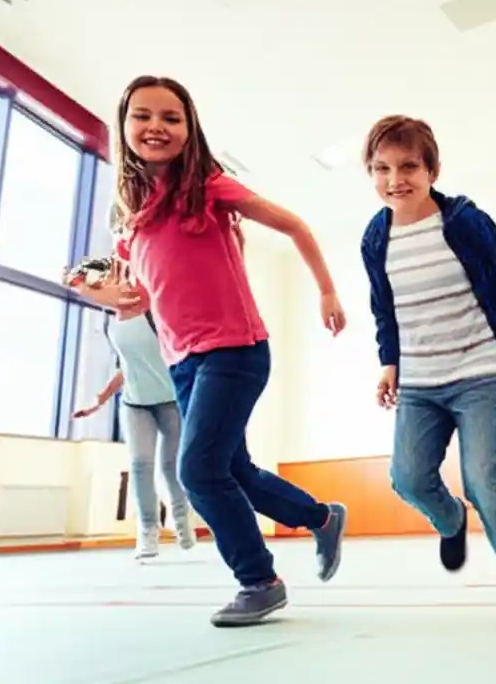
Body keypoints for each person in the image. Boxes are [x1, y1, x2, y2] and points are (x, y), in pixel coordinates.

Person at [109, 75, 347, 627]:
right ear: (124, 127)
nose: (157, 127)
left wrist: (328, 290)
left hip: (235, 350)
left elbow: (293, 224)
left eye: (172, 117)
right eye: (143, 115)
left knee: (196, 470)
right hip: (184, 363)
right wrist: (122, 295)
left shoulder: (209, 187)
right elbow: (148, 291)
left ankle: (258, 580)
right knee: (232, 469)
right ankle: (321, 517)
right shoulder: (134, 219)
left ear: (190, 130)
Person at [359, 115, 496, 629]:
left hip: (476, 371)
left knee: (485, 478)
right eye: (381, 169)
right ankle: (451, 520)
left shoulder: (463, 221)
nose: (395, 179)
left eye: (408, 167)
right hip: (419, 381)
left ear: (432, 170)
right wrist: (389, 363)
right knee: (407, 478)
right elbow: (385, 308)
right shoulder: (376, 237)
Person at [66, 258, 195, 560]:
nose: (113, 286)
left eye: (118, 280)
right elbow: (127, 366)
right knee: (140, 466)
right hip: (135, 403)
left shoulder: (153, 316)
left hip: (169, 401)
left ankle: (180, 517)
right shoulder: (112, 325)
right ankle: (148, 531)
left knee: (169, 468)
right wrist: (99, 400)